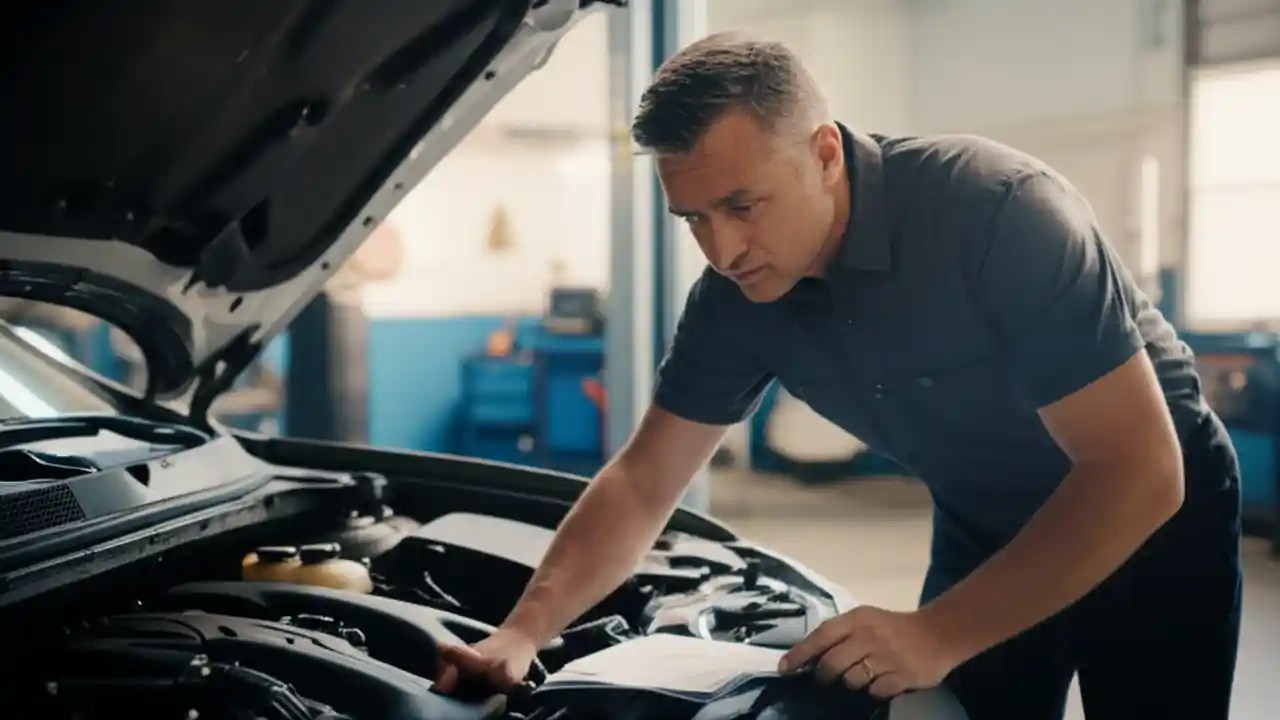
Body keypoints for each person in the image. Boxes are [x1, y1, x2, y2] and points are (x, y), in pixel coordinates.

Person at [434, 32, 1242, 719]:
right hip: (984, 525)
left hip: (1150, 522)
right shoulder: (734, 299)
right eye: (694, 221)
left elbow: (1138, 469)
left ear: (824, 153)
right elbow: (646, 481)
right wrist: (523, 630)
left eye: (744, 206)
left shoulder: (996, 212)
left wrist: (938, 633)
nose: (723, 251)